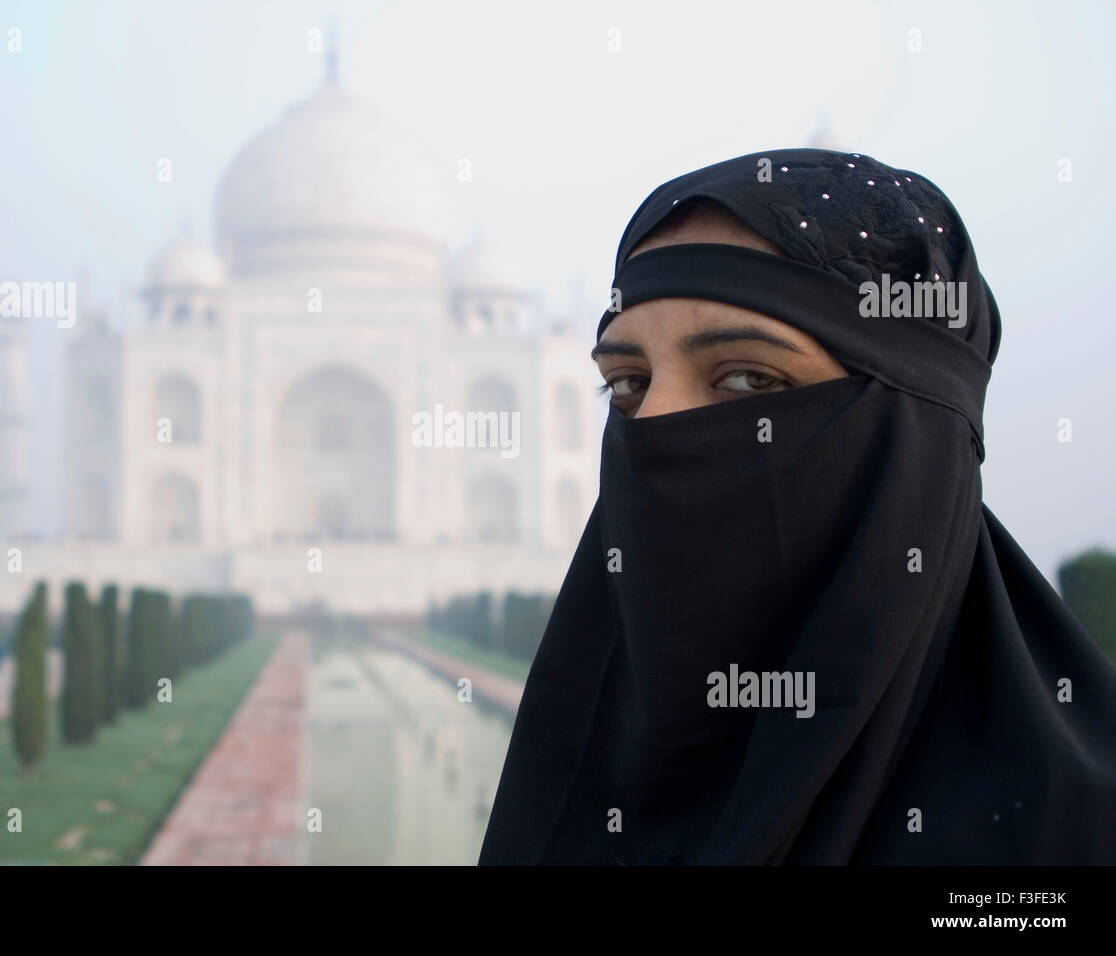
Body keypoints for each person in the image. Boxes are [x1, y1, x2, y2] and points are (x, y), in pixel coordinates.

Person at [477, 148, 1116, 865]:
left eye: (748, 378)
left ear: (910, 437)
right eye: (627, 384)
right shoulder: (588, 778)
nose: (653, 427)